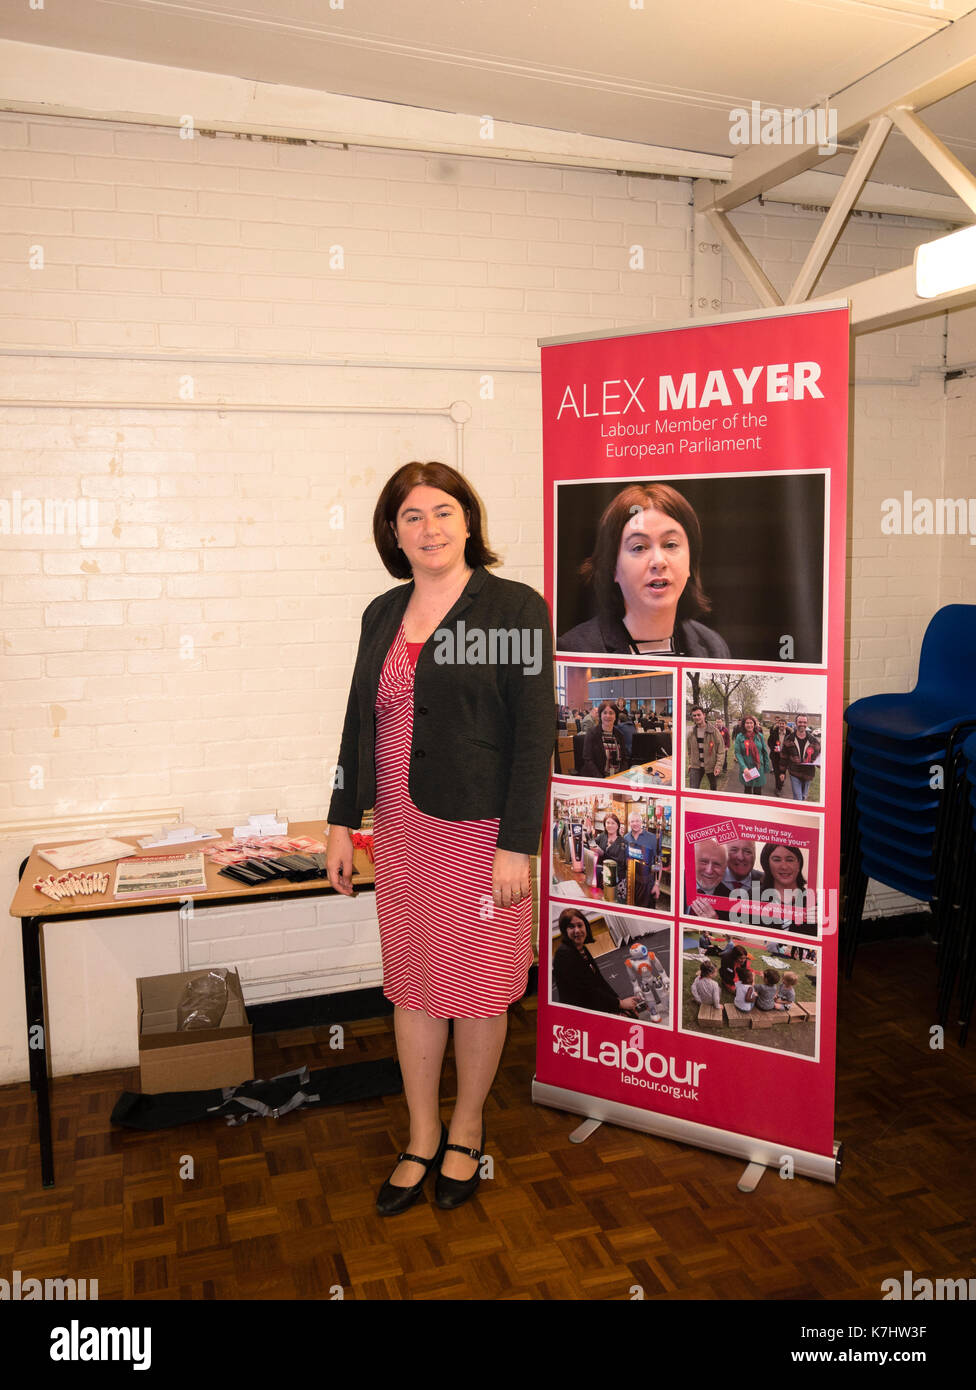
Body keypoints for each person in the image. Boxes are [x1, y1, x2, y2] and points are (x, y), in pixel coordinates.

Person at [326, 460, 555, 1216]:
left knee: (483, 990)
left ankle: (467, 1126)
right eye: (412, 516)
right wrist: (339, 820)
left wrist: (516, 843)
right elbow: (361, 724)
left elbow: (533, 737)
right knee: (416, 982)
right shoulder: (380, 614)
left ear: (469, 520)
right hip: (400, 830)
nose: (430, 528)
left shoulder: (513, 608)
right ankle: (421, 1132)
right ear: (393, 533)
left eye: (443, 511)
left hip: (481, 833)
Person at [557, 483, 730, 656]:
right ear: (612, 567)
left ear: (690, 562)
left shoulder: (712, 646)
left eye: (670, 544)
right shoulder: (575, 649)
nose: (658, 561)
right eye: (639, 547)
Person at [551, 909, 641, 1016]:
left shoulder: (582, 948)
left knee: (630, 1014)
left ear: (585, 926)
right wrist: (620, 1004)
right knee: (627, 1019)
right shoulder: (564, 955)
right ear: (564, 930)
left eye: (580, 925)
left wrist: (618, 1001)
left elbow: (599, 981)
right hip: (580, 1012)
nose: (577, 930)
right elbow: (587, 992)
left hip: (592, 1002)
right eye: (571, 927)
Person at [759, 842, 814, 929]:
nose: (784, 867)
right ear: (767, 864)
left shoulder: (814, 903)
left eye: (790, 860)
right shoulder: (751, 897)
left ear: (799, 864)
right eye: (777, 860)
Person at [623, 811, 662, 909]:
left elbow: (657, 863)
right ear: (629, 823)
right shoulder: (626, 838)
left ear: (641, 822)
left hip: (648, 885)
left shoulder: (652, 838)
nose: (635, 824)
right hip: (631, 884)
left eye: (637, 821)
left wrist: (657, 884)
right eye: (632, 821)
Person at [579, 700, 628, 779]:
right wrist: (602, 780)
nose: (608, 716)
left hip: (617, 778)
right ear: (600, 715)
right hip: (597, 778)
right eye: (605, 713)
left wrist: (621, 777)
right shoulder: (592, 734)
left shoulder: (620, 735)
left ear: (615, 716)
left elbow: (625, 759)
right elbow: (588, 759)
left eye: (611, 713)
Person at [687, 837, 731, 918]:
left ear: (725, 868)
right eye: (703, 861)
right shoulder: (676, 883)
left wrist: (715, 924)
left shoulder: (732, 899)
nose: (709, 871)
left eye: (717, 864)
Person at [784, 714, 820, 802]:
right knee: (798, 798)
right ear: (796, 723)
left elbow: (818, 756)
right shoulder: (789, 739)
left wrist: (819, 764)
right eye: (800, 722)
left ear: (807, 724)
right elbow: (784, 756)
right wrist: (782, 772)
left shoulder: (814, 740)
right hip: (794, 772)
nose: (802, 724)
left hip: (808, 773)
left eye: (804, 722)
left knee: (803, 797)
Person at [686, 705, 721, 791]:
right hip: (696, 766)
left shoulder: (714, 731)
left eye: (699, 715)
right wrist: (690, 762)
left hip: (711, 766)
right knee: (693, 790)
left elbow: (721, 751)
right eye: (694, 715)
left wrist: (718, 766)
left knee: (713, 789)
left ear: (704, 715)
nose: (696, 717)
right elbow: (690, 751)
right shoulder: (691, 733)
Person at [733, 715, 770, 795]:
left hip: (759, 767)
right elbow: (738, 753)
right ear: (743, 724)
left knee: (758, 791)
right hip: (747, 768)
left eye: (751, 723)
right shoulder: (739, 737)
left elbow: (764, 752)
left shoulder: (759, 736)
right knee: (748, 790)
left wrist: (767, 767)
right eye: (747, 723)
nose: (749, 725)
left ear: (754, 724)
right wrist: (744, 767)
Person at [767, 715, 789, 795]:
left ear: (785, 725)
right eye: (780, 723)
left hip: (785, 758)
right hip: (775, 756)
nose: (782, 725)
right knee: (777, 772)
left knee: (783, 772)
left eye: (783, 724)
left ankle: (781, 782)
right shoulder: (774, 732)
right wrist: (773, 748)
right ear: (778, 724)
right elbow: (769, 742)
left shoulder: (789, 734)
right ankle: (778, 788)